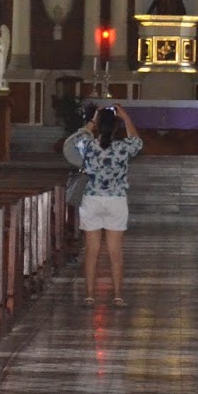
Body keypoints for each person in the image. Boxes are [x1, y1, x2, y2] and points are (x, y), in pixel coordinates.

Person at [69, 102, 144, 306]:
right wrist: (125, 117)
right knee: (115, 252)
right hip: (116, 200)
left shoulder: (88, 145)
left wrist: (93, 121)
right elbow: (137, 142)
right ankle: (118, 295)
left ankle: (89, 295)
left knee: (91, 251)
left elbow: (76, 139)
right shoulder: (122, 148)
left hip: (91, 199)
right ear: (116, 127)